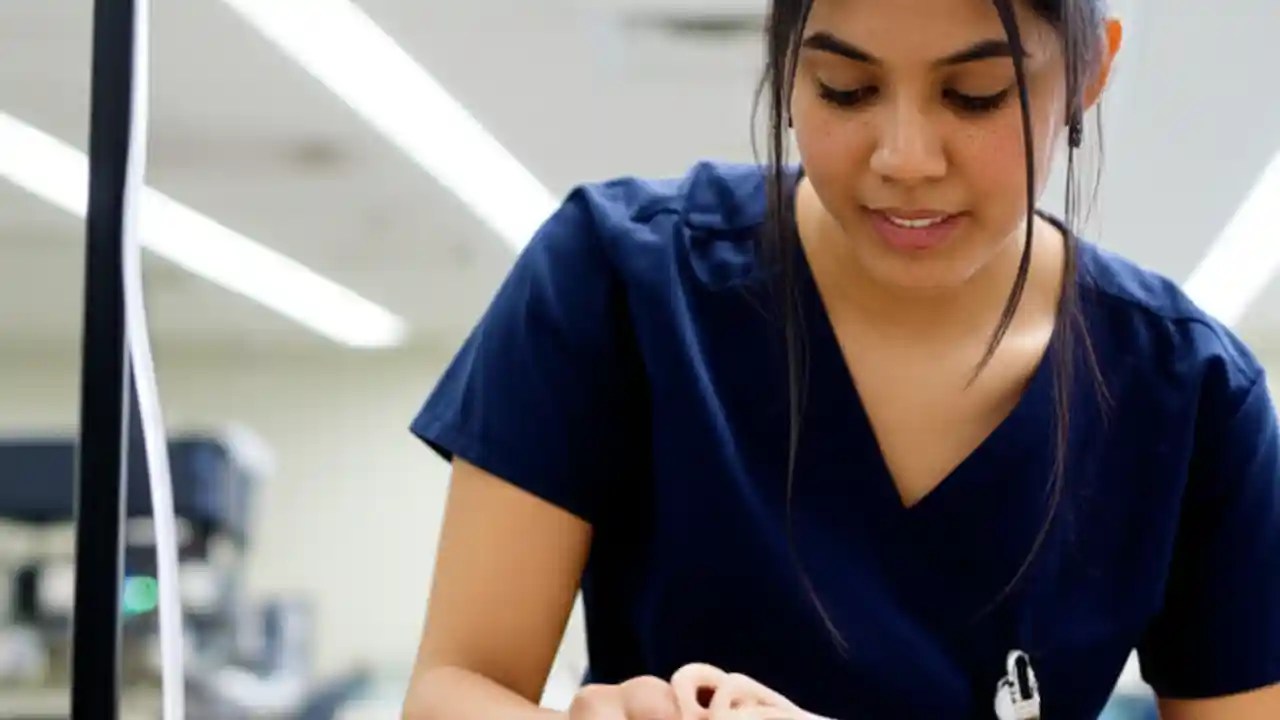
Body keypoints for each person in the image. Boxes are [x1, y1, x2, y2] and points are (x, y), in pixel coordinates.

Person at [400, 0, 1280, 718]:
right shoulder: (615, 282)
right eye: (846, 88)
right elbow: (451, 690)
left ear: (1091, 74)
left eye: (975, 95)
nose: (903, 158)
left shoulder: (1192, 397)